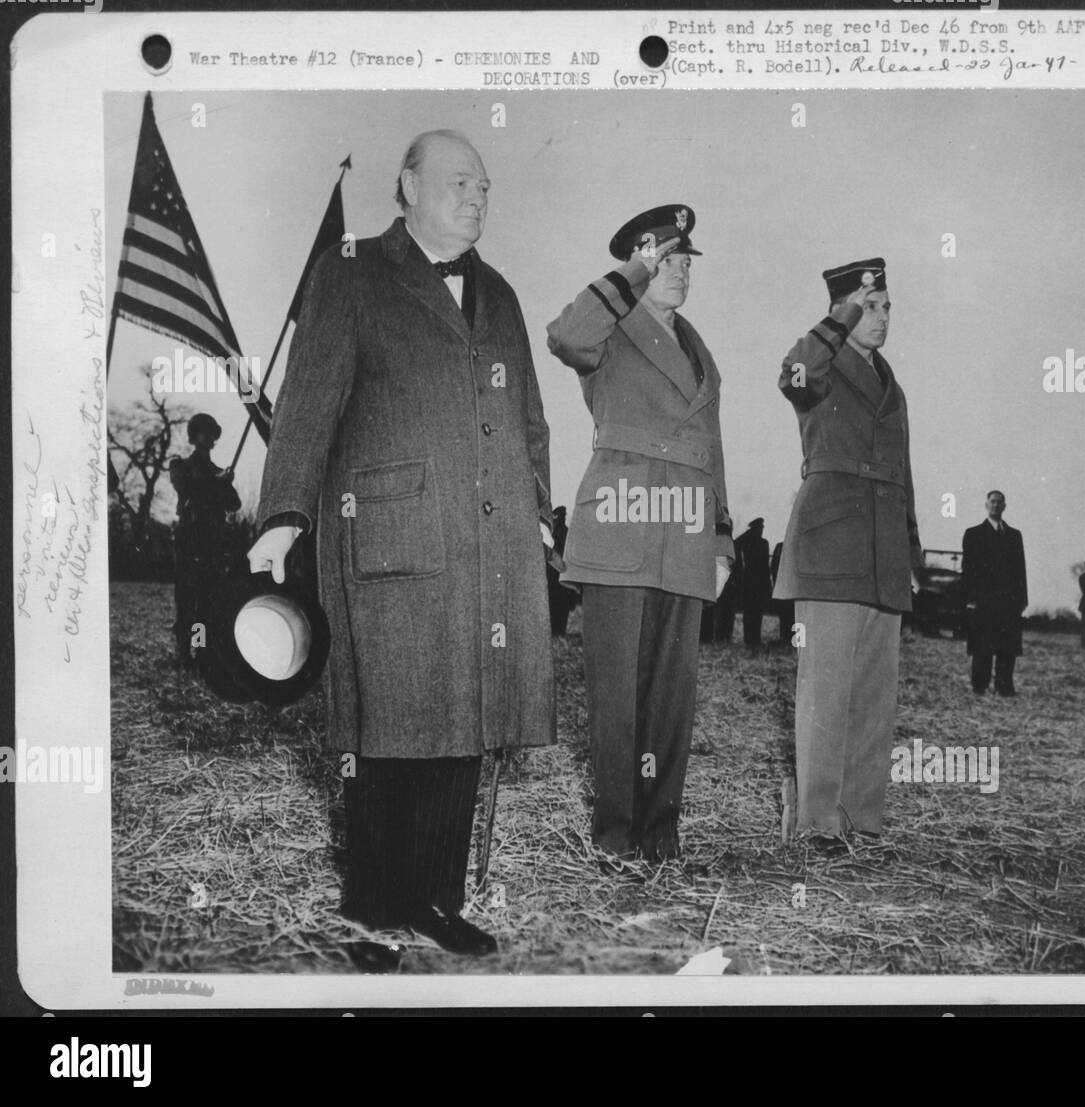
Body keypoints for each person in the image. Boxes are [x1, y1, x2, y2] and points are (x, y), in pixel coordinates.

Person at [247, 130, 556, 956]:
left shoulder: (503, 295)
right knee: (387, 731)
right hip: (386, 542)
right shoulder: (350, 272)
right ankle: (373, 910)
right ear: (408, 185)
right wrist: (283, 517)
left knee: (463, 723)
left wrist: (542, 512)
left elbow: (528, 420)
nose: (477, 195)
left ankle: (435, 900)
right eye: (459, 180)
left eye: (485, 185)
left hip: (486, 550)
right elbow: (306, 406)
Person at [547, 204, 734, 864]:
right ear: (641, 259)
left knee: (670, 698)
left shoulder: (698, 348)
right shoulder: (611, 329)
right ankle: (615, 833)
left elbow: (710, 450)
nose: (681, 271)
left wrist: (721, 539)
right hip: (622, 521)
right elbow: (564, 335)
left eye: (686, 261)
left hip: (684, 533)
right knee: (617, 695)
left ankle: (661, 832)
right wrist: (630, 273)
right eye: (668, 259)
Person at [773, 258, 924, 845]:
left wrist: (910, 555)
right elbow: (792, 376)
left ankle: (862, 820)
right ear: (842, 310)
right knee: (825, 693)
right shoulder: (822, 364)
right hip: (830, 542)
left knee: (872, 697)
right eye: (869, 305)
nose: (881, 316)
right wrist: (836, 321)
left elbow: (903, 473)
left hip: (883, 551)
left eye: (886, 305)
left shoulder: (893, 385)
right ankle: (814, 823)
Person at [170, 413, 241, 667]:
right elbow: (187, 487)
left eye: (212, 433)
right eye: (203, 432)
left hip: (212, 543)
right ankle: (183, 654)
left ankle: (200, 653)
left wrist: (226, 484)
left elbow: (234, 504)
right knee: (187, 598)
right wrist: (217, 482)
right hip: (189, 540)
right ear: (193, 436)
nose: (208, 437)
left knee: (207, 600)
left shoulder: (218, 472)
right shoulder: (180, 466)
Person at [961, 491, 1028, 696]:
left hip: (1009, 602)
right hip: (983, 601)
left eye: (999, 503)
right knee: (983, 645)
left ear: (1004, 506)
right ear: (986, 505)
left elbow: (1020, 570)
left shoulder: (1014, 535)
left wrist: (1022, 599)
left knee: (1007, 647)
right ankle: (979, 686)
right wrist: (970, 599)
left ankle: (1004, 687)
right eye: (992, 502)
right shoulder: (973, 534)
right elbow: (968, 570)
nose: (996, 506)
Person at [735, 518, 772, 646]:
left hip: (755, 581)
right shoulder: (752, 542)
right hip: (751, 581)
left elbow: (766, 566)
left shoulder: (760, 543)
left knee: (755, 612)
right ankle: (750, 640)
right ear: (755, 529)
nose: (761, 531)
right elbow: (735, 543)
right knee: (750, 612)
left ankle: (753, 639)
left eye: (762, 528)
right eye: (759, 528)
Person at [547, 505, 576, 636]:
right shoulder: (568, 533)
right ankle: (559, 633)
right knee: (560, 608)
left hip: (555, 578)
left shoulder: (553, 533)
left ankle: (556, 633)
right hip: (561, 578)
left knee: (556, 606)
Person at [770, 541, 795, 646]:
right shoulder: (792, 545)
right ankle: (787, 637)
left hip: (784, 586)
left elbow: (773, 567)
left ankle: (786, 637)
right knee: (788, 614)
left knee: (786, 615)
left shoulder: (780, 546)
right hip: (788, 586)